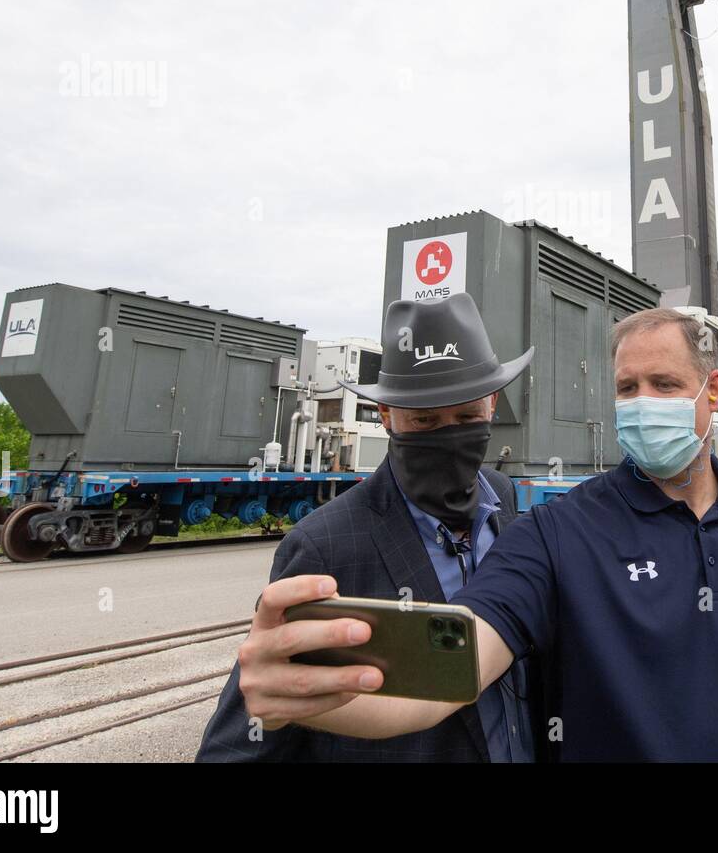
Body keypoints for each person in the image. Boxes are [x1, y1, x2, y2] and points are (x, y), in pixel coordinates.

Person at [233, 306, 718, 762]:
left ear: (713, 392)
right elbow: (456, 663)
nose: (643, 402)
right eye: (627, 388)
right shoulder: (558, 531)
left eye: (664, 385)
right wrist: (300, 697)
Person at [196, 292, 538, 762]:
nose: (447, 434)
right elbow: (239, 745)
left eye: (465, 416)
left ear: (493, 404)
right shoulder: (324, 546)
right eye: (425, 420)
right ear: (386, 415)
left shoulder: (506, 501)